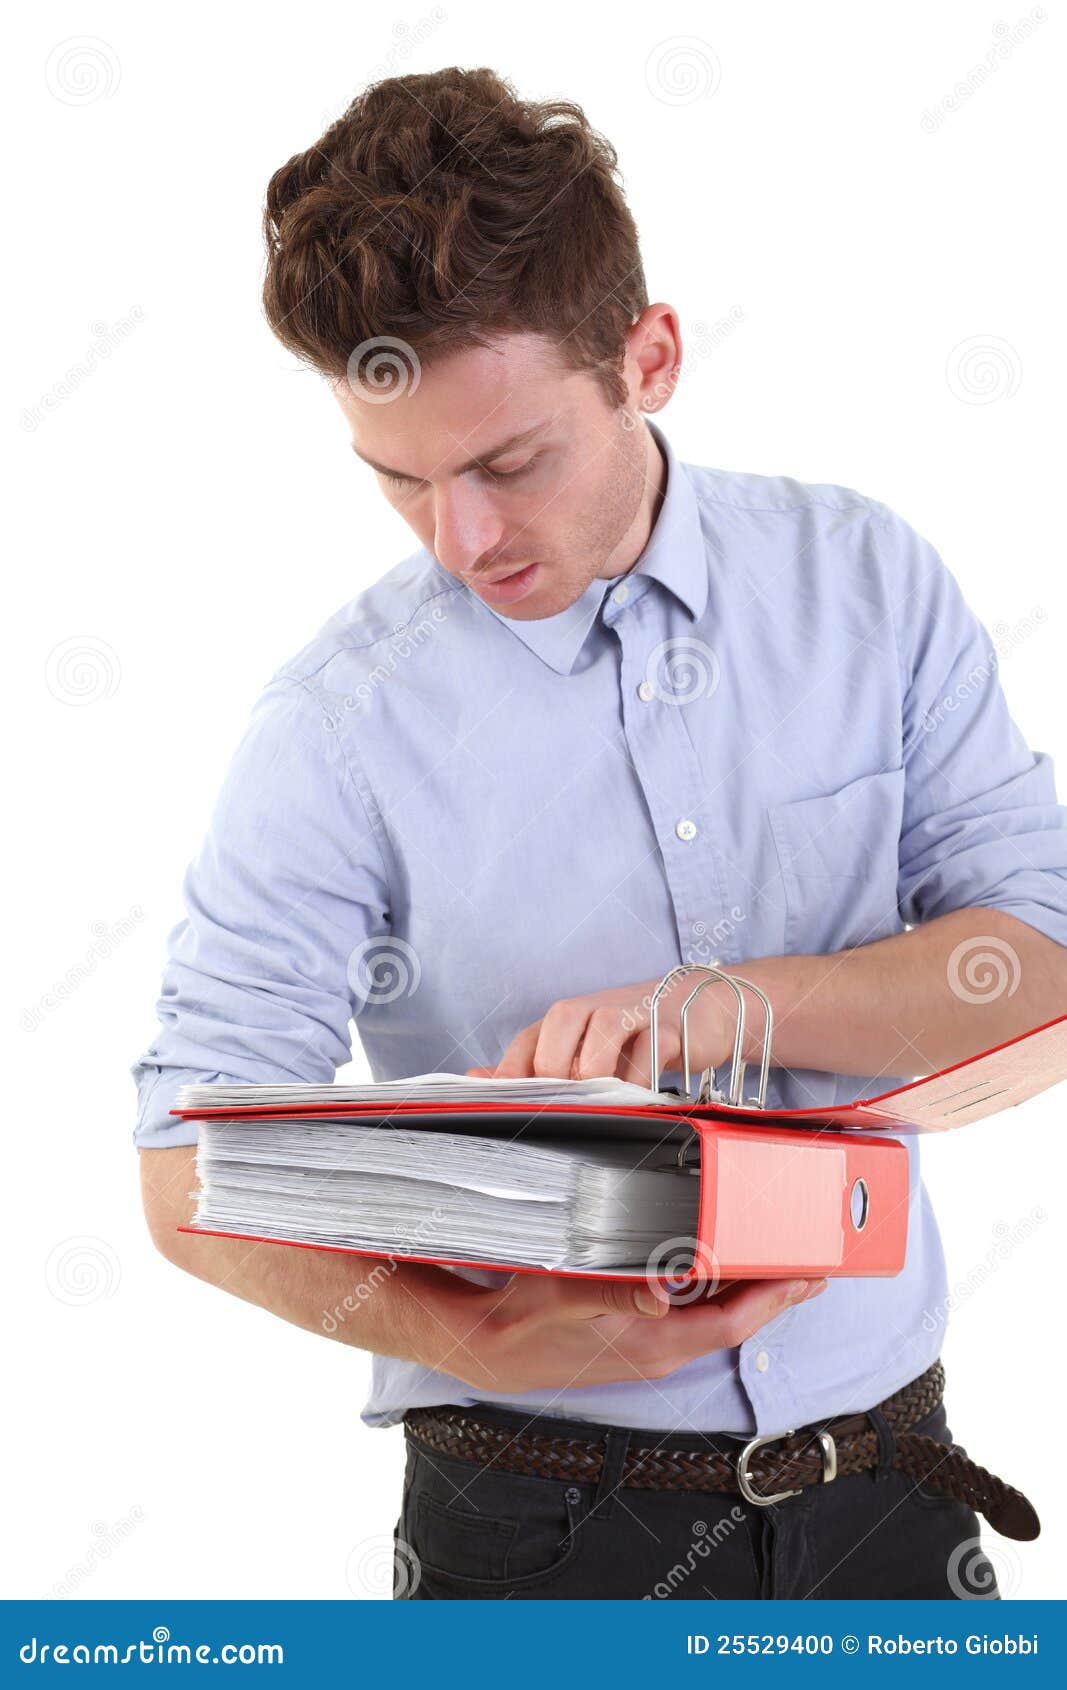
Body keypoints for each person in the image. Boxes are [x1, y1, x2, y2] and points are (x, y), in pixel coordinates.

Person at [134, 67, 1067, 1600]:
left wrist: (718, 1006)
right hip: (535, 1528)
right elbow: (182, 1160)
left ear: (651, 356)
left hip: (896, 1492)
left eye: (509, 464)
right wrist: (474, 1329)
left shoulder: (869, 585)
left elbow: (1040, 965)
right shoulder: (335, 725)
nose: (465, 541)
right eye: (402, 481)